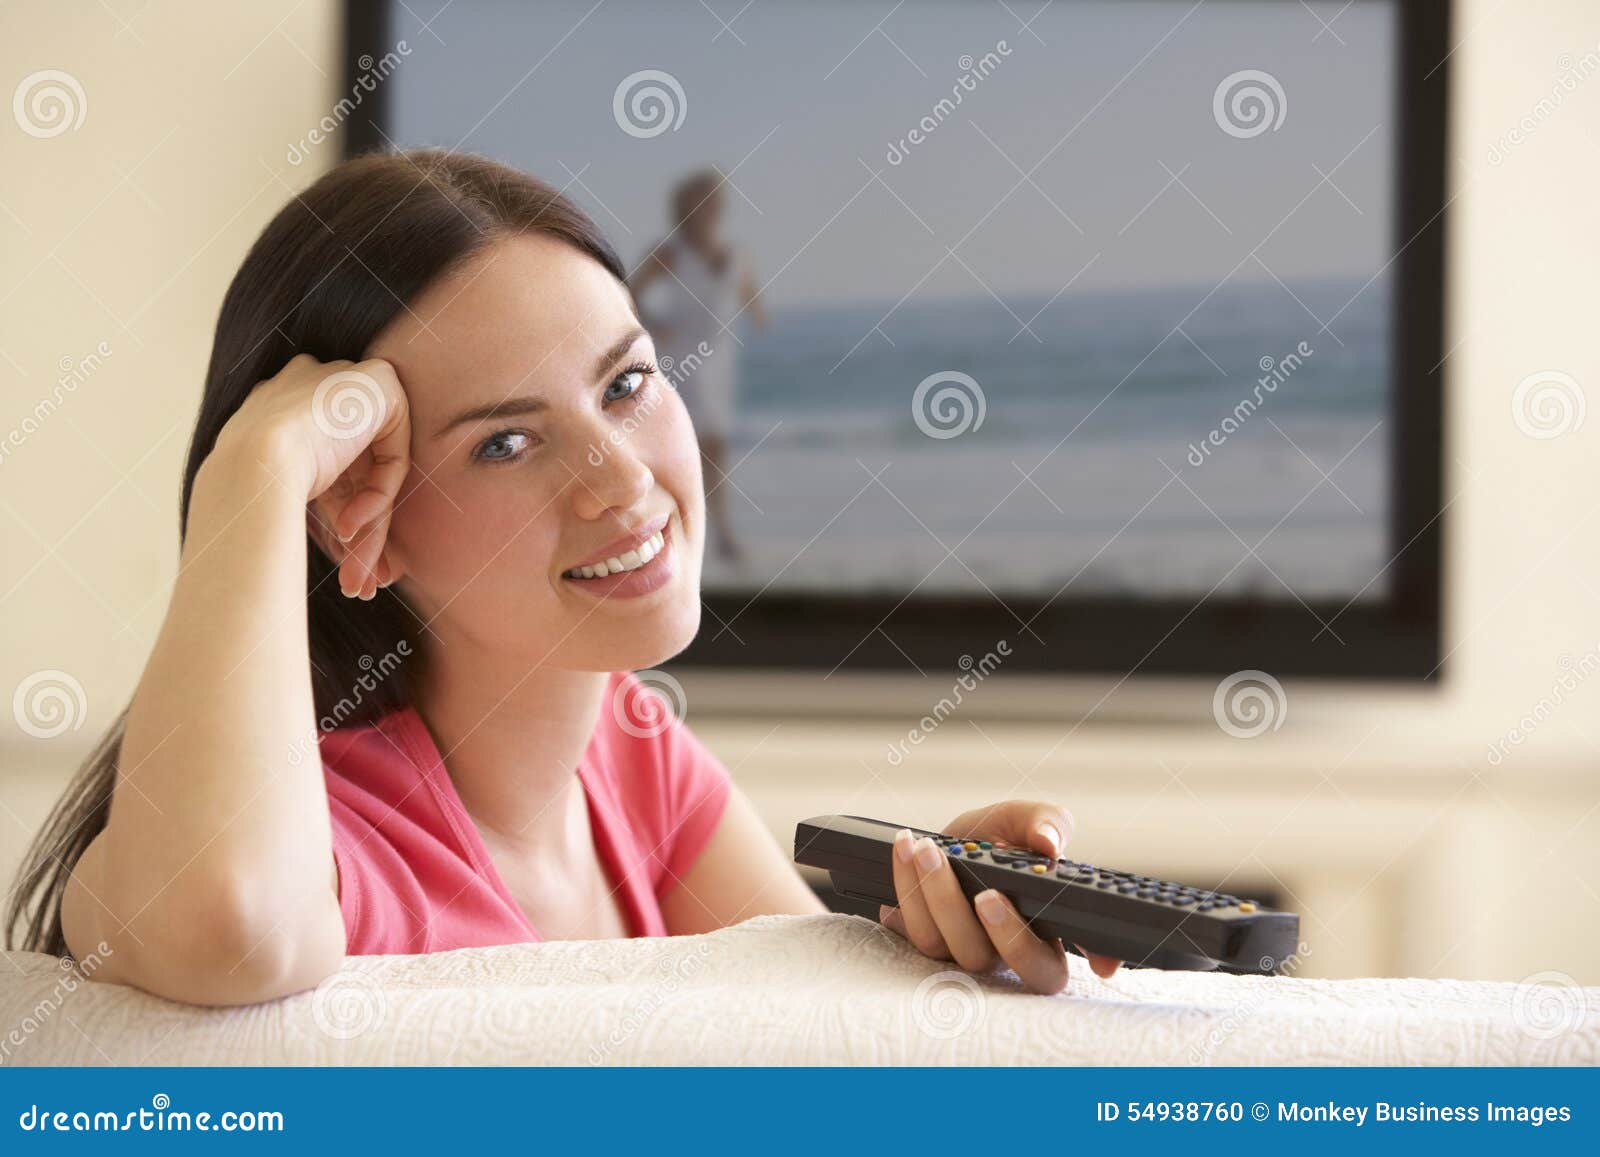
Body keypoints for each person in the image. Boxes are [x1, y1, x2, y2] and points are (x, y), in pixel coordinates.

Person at [3, 149, 1117, 1005]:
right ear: (358, 522)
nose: (620, 478)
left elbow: (807, 1035)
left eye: (627, 382)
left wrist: (923, 941)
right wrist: (252, 472)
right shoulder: (321, 839)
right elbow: (228, 925)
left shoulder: (633, 759)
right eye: (505, 442)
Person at [629, 168, 766, 564]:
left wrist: (758, 315)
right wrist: (654, 325)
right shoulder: (670, 252)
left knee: (715, 448)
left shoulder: (736, 254)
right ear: (686, 205)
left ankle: (705, 532)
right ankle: (704, 533)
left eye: (715, 198)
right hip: (683, 360)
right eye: (702, 198)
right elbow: (627, 294)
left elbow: (749, 298)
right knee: (695, 446)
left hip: (721, 361)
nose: (710, 206)